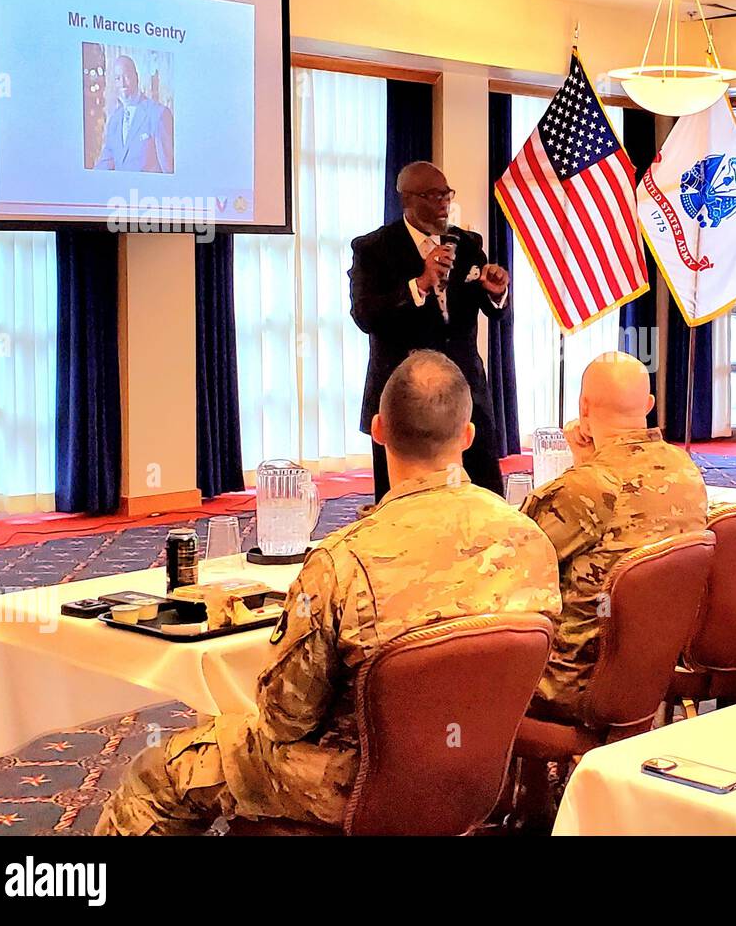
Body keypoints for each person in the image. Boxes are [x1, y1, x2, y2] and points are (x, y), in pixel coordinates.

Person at [95, 351, 559, 835]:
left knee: (157, 775)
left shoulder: (341, 562)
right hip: (474, 773)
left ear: (378, 430)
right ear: (468, 435)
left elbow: (283, 720)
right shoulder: (530, 539)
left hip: (349, 785)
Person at [520, 351, 707, 721]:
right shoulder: (686, 470)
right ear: (649, 405)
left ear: (583, 406)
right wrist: (586, 462)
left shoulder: (582, 489)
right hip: (651, 673)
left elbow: (512, 560)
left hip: (570, 683)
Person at [350, 161, 510, 501]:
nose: (443, 203)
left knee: (485, 495)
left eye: (446, 194)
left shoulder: (466, 243)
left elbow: (491, 311)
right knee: (404, 501)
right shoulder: (373, 249)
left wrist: (496, 292)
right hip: (402, 393)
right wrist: (420, 284)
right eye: (433, 195)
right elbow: (365, 315)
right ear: (407, 199)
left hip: (465, 392)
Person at [94, 56, 174, 173]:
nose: (122, 83)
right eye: (117, 78)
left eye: (126, 76)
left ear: (136, 77)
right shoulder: (114, 120)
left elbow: (168, 169)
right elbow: (106, 163)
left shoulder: (158, 114)